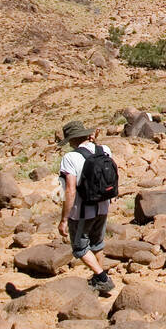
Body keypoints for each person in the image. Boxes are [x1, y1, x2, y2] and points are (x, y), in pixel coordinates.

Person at [57, 120, 116, 295]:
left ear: (72, 140)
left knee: (80, 247)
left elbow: (70, 189)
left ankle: (102, 278)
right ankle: (100, 278)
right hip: (103, 206)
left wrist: (64, 219)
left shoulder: (70, 158)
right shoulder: (104, 150)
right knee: (97, 243)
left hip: (82, 211)